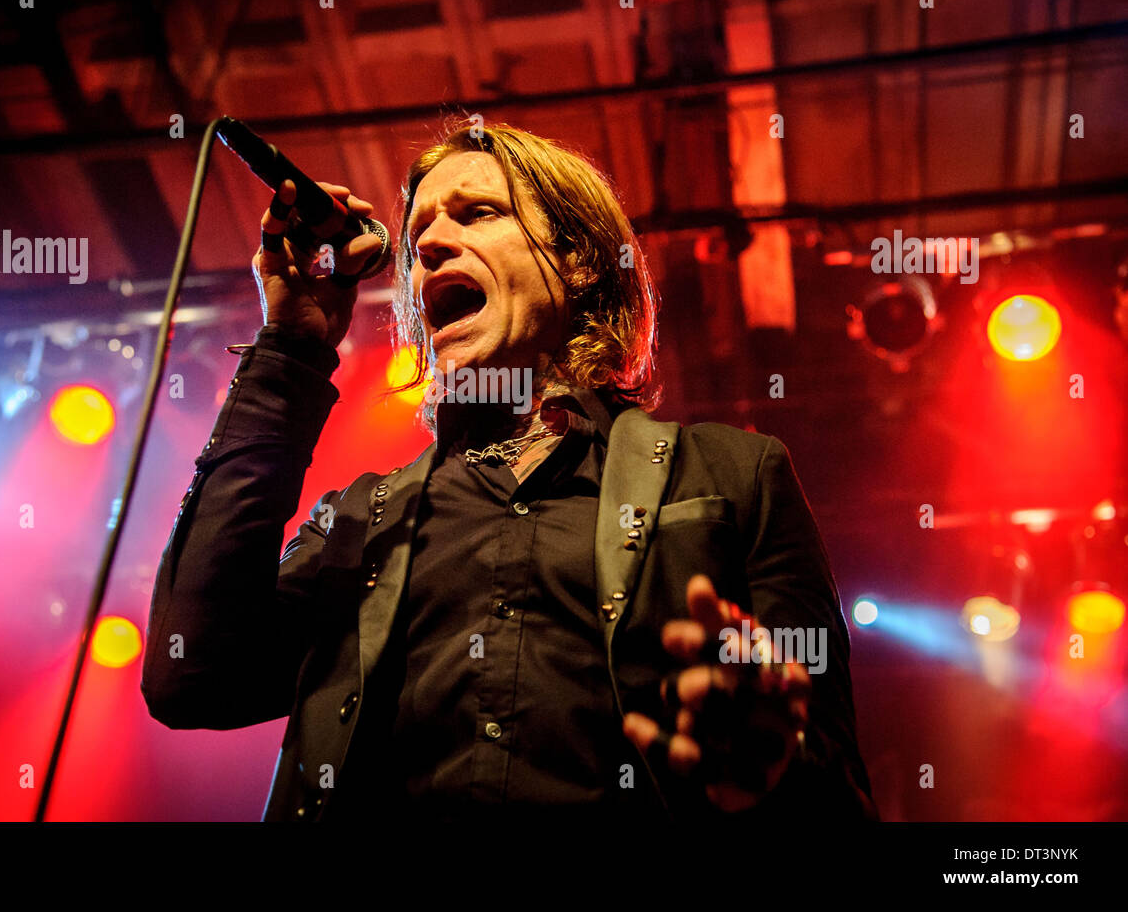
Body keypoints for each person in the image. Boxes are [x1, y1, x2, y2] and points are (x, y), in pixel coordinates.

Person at [141, 120, 878, 822]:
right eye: (421, 230)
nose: (429, 242)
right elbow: (191, 673)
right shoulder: (365, 520)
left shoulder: (730, 476)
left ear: (580, 257)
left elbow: (838, 792)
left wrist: (767, 764)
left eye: (477, 212)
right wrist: (291, 352)